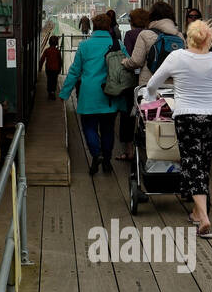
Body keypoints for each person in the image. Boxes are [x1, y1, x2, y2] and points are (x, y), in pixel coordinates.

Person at [144, 20, 212, 238]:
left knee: (190, 161)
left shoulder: (177, 57)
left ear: (188, 37)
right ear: (209, 39)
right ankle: (197, 212)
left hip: (187, 115)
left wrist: (149, 98)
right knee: (203, 161)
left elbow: (153, 82)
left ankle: (204, 218)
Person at [60, 13, 126, 175]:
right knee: (108, 129)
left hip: (89, 93)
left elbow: (75, 71)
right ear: (109, 26)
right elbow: (128, 65)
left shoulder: (84, 46)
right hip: (110, 93)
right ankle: (108, 160)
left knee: (89, 127)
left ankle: (96, 155)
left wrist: (64, 93)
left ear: (93, 26)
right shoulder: (118, 44)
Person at [115, 9, 149, 161]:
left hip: (133, 80)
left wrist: (124, 63)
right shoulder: (152, 34)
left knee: (127, 114)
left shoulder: (130, 35)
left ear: (133, 22)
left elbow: (129, 56)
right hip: (149, 80)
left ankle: (128, 151)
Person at [123, 1, 183, 84]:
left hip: (150, 83)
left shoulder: (145, 34)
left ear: (152, 16)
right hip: (173, 84)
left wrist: (125, 62)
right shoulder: (179, 36)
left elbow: (136, 61)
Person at [38, 35, 64, 100]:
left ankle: (49, 93)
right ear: (56, 43)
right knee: (54, 81)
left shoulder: (47, 50)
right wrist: (60, 68)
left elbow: (42, 59)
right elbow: (60, 61)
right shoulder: (57, 51)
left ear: (49, 42)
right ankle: (53, 92)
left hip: (48, 69)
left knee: (49, 80)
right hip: (56, 69)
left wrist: (40, 68)